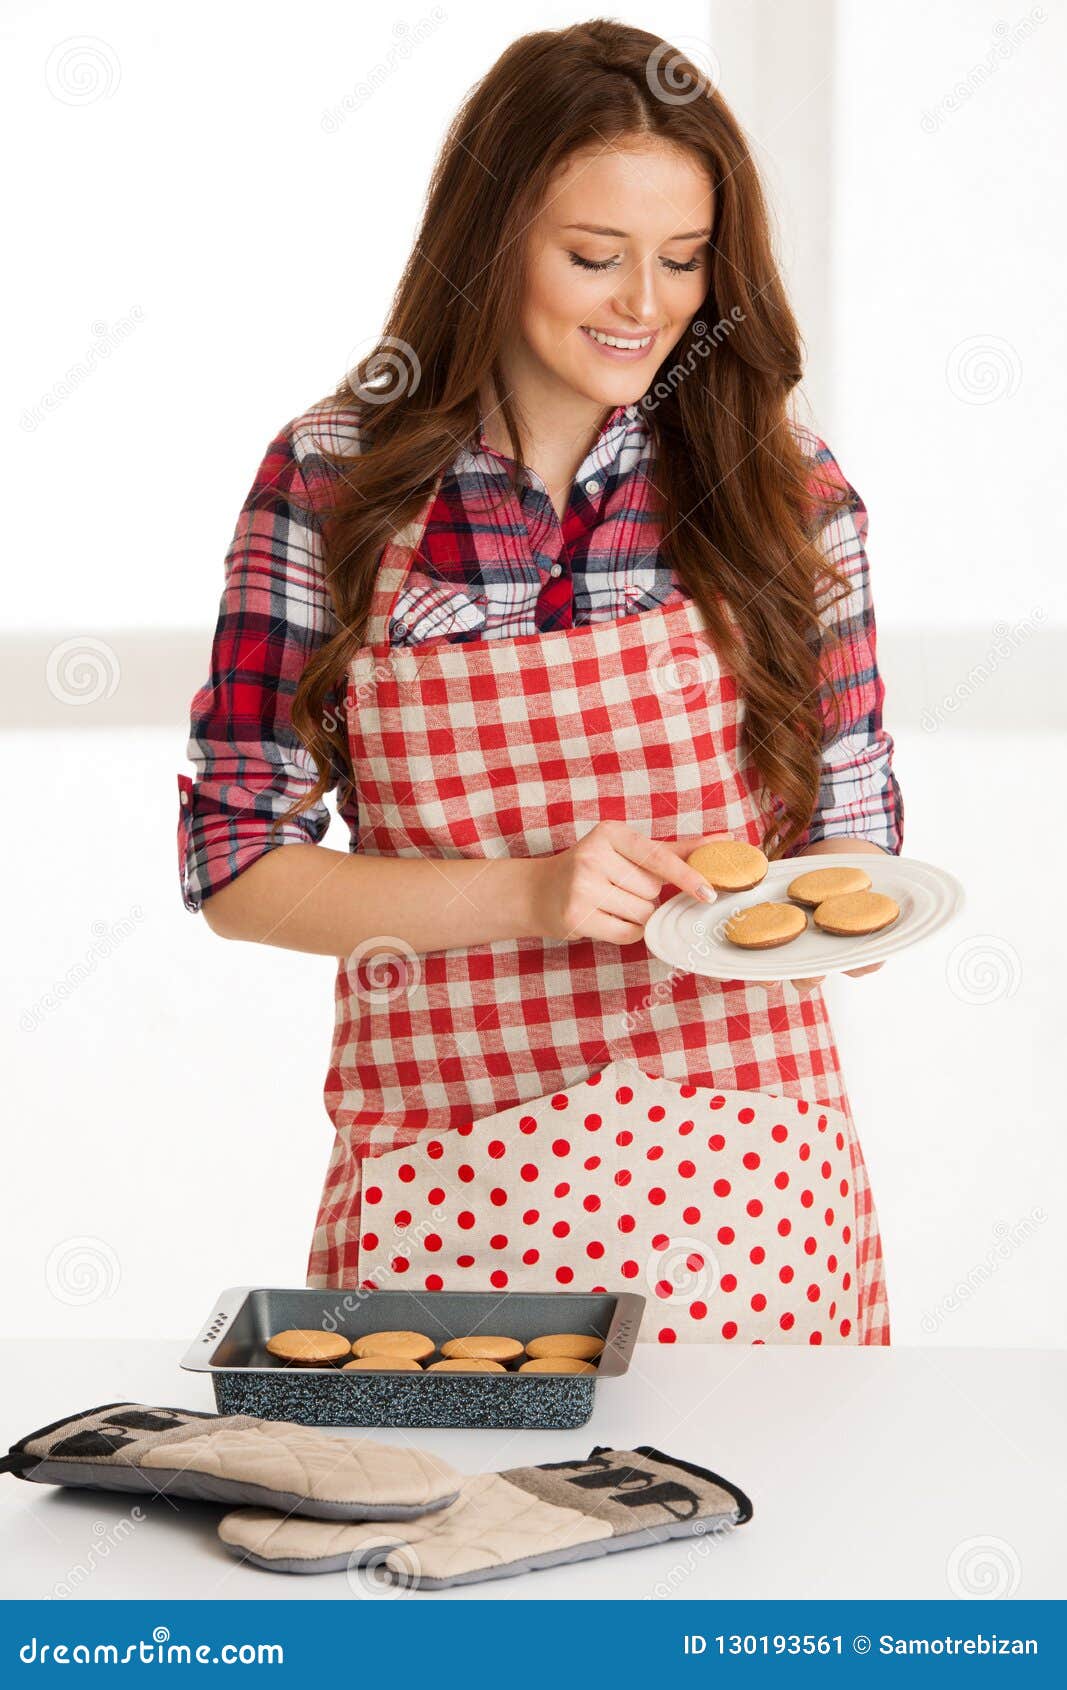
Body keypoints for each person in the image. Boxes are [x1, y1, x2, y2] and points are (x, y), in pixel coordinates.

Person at [177, 21, 903, 1345]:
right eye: (593, 256)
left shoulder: (787, 494)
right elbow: (235, 865)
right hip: (444, 1205)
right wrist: (532, 891)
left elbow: (850, 842)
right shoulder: (334, 485)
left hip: (747, 1205)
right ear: (489, 237)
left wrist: (794, 902)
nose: (646, 304)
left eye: (684, 261)